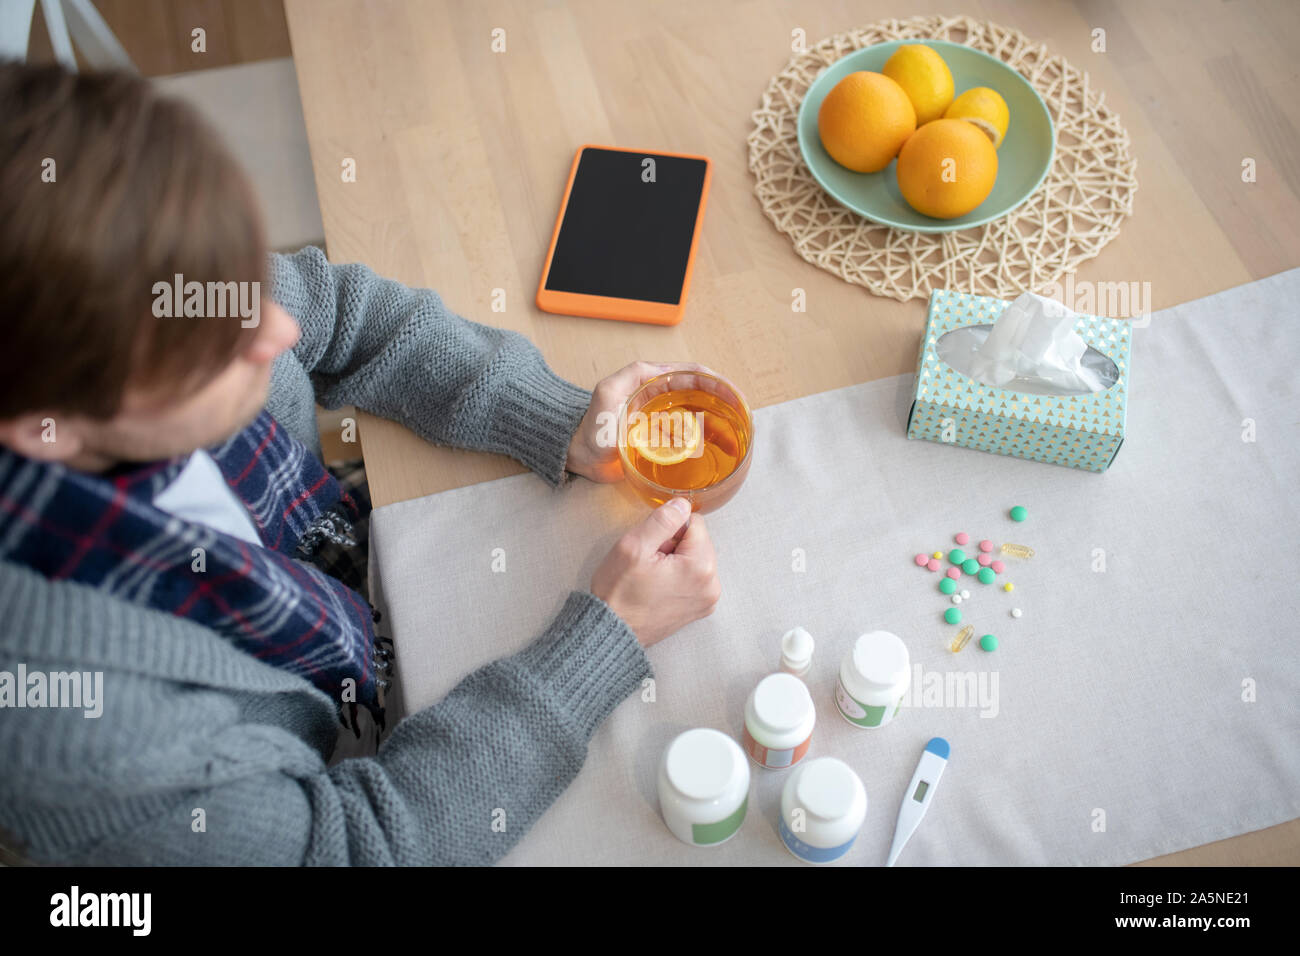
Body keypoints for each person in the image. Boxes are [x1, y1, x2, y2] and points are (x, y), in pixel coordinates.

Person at [0, 63, 721, 865]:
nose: (275, 331)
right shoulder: (81, 741)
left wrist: (556, 420)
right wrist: (605, 643)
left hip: (339, 579)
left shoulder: (154, 277)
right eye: (215, 348)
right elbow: (361, 848)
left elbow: (340, 310)